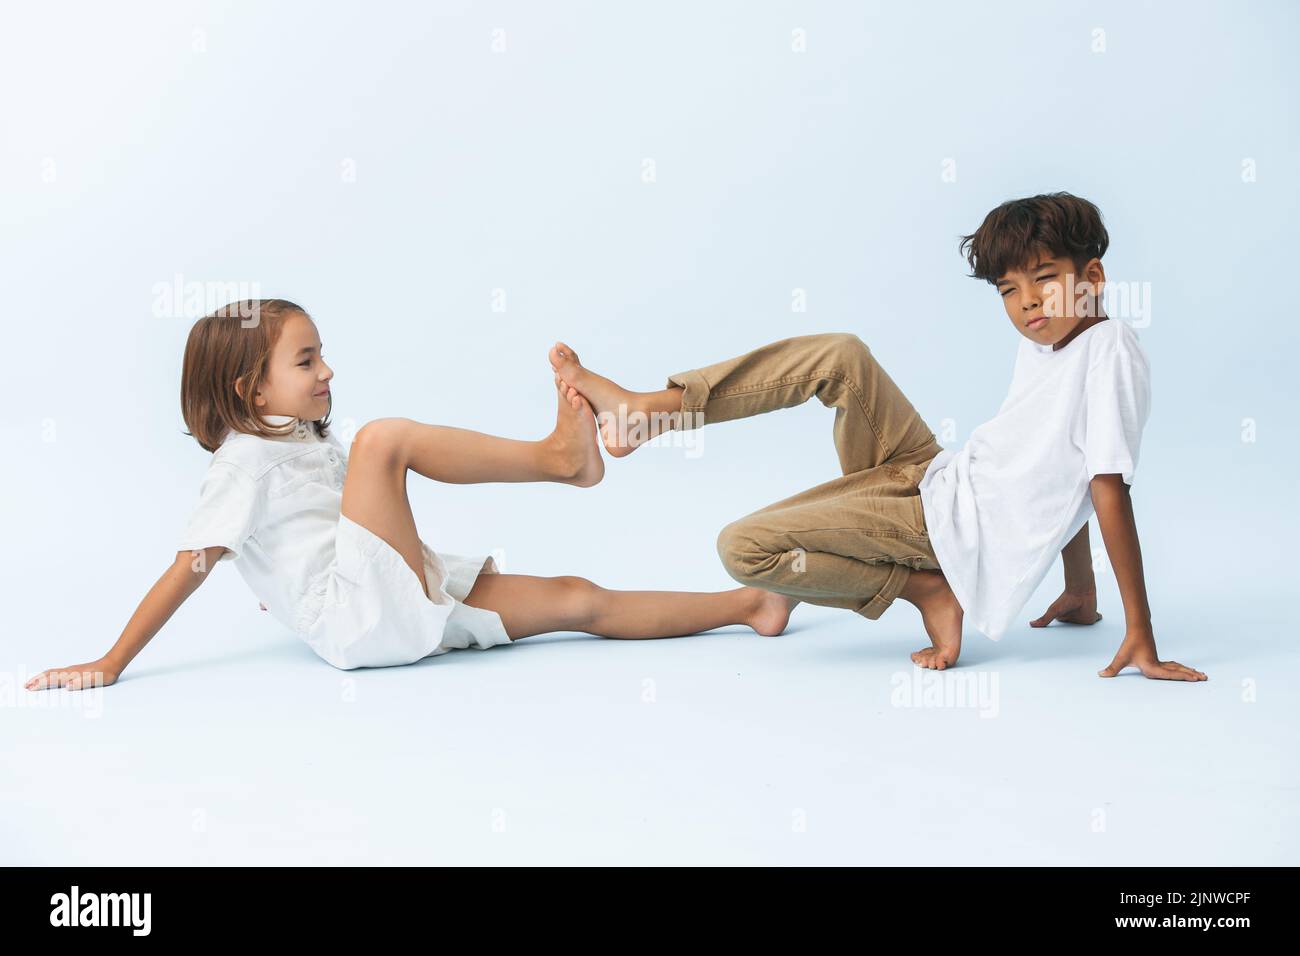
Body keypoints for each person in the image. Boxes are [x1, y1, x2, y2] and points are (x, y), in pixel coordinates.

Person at [551, 192, 1206, 681]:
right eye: (1011, 289)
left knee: (742, 548)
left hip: (942, 526)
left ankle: (928, 590)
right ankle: (653, 412)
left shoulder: (1109, 348)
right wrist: (1079, 592)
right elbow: (1062, 467)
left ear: (1092, 280)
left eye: (1044, 279)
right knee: (841, 355)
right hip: (936, 473)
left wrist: (1139, 633)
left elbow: (1105, 484)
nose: (1028, 303)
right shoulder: (1053, 344)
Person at [25, 299, 793, 690]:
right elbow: (192, 563)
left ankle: (749, 607)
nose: (326, 371)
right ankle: (562, 458)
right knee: (384, 439)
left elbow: (286, 541)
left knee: (575, 598)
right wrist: (110, 661)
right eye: (305, 361)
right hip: (361, 615)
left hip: (394, 598)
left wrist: (278, 585)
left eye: (322, 354)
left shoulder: (298, 442)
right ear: (248, 387)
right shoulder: (243, 464)